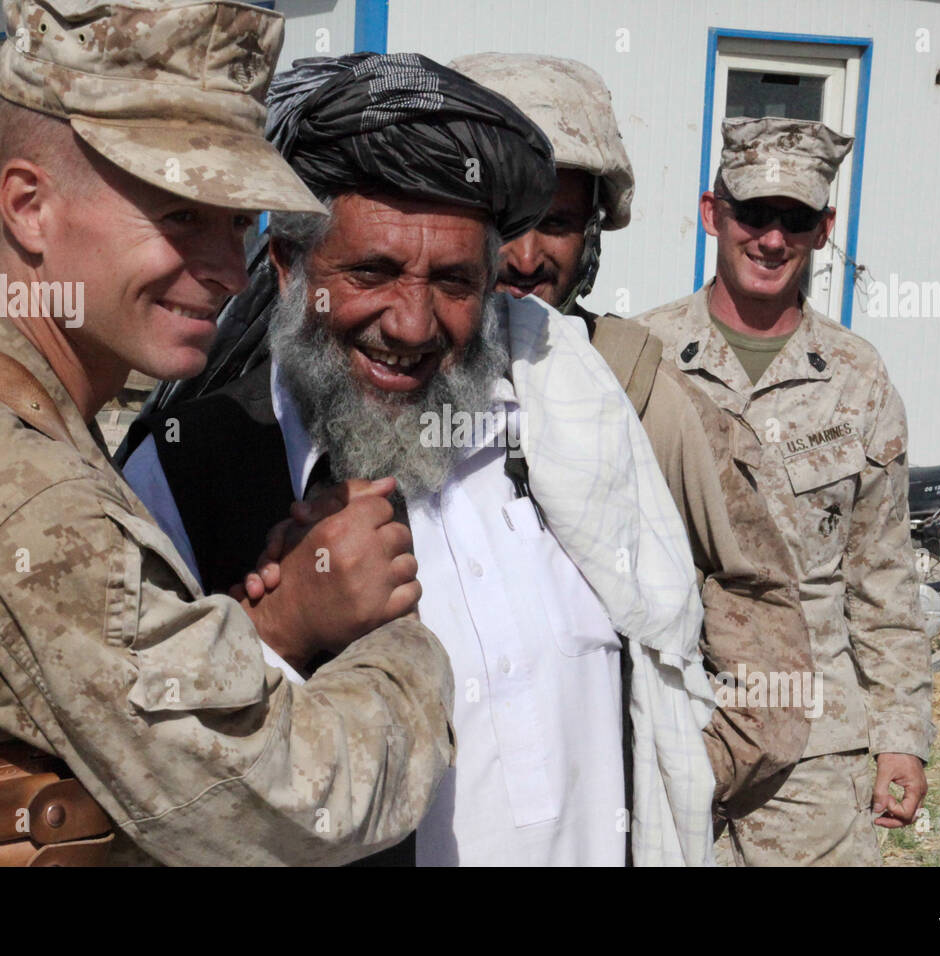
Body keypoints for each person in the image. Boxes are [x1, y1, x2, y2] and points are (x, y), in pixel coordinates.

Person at [0, 0, 455, 867]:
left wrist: (267, 629)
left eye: (238, 224)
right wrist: (399, 641)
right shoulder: (30, 501)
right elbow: (306, 801)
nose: (231, 273)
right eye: (180, 214)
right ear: (28, 207)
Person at [122, 52, 718, 867]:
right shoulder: (188, 478)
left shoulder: (567, 431)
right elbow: (141, 783)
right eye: (371, 271)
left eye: (453, 281)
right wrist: (278, 634)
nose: (411, 324)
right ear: (290, 269)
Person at [451, 53, 814, 834]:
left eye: (555, 222)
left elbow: (759, 594)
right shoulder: (380, 379)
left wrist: (677, 772)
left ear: (592, 234)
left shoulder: (638, 387)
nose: (524, 256)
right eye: (506, 219)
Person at [634, 116, 934, 865]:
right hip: (667, 721)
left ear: (823, 229)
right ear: (713, 213)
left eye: (795, 220)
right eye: (754, 214)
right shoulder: (641, 358)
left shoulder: (856, 377)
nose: (772, 240)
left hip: (812, 740)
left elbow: (883, 576)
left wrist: (902, 737)